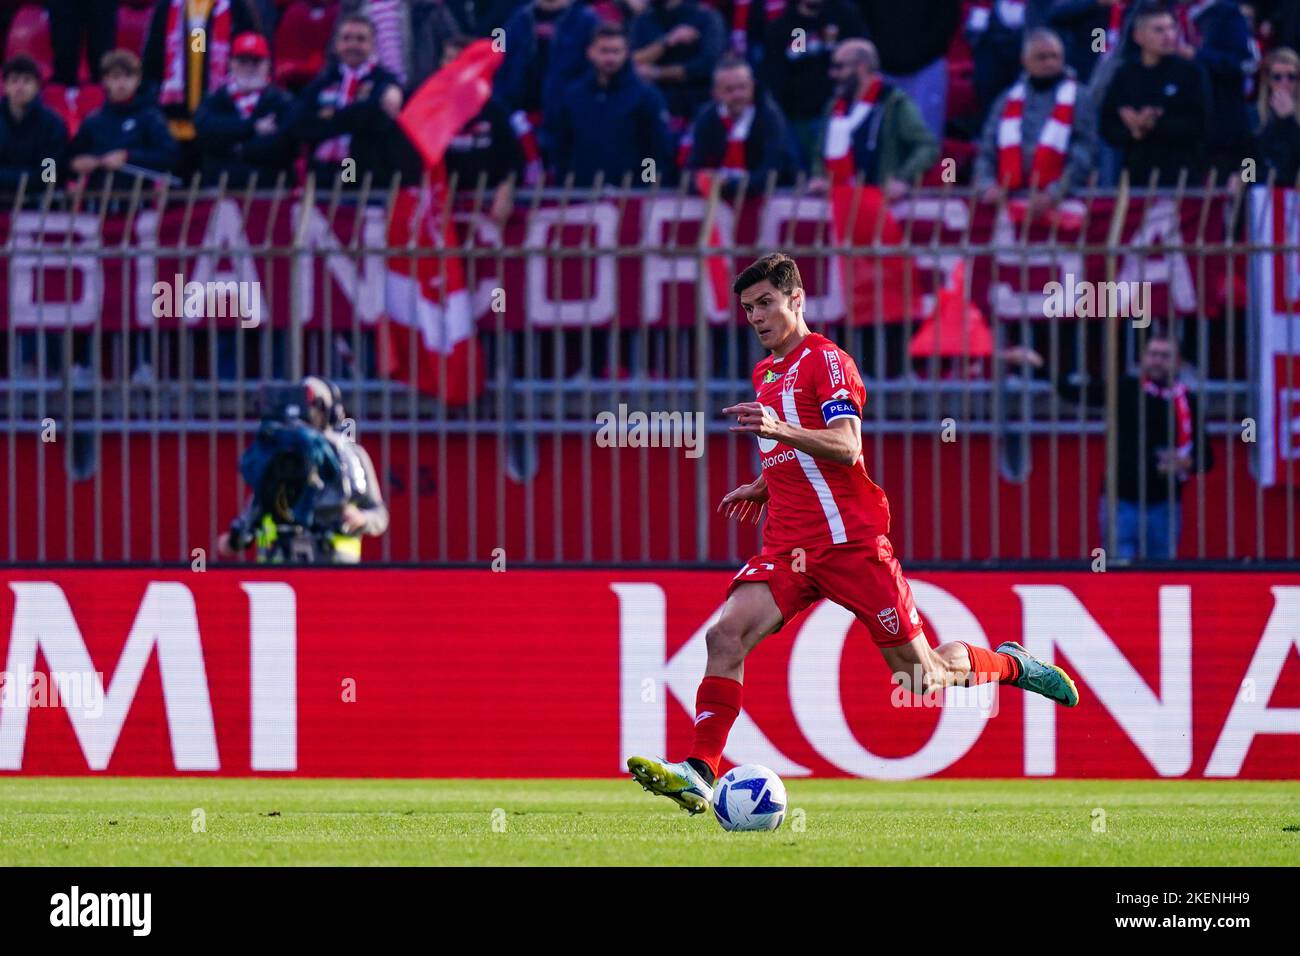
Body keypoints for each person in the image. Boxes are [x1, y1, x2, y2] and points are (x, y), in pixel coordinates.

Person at [626, 253, 1080, 813]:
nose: (757, 316)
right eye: (748, 308)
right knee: (724, 638)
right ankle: (699, 771)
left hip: (852, 544)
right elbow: (797, 455)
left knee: (921, 678)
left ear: (797, 299)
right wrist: (764, 484)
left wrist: (779, 429)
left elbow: (847, 446)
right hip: (790, 544)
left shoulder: (829, 362)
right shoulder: (764, 374)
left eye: (766, 302)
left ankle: (1012, 663)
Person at [1004, 331, 1213, 560]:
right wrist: (1039, 365)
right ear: (1143, 358)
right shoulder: (1126, 389)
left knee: (1161, 574)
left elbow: (1206, 458)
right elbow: (1076, 393)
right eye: (1153, 354)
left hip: (1165, 506)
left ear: (1178, 362)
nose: (1157, 361)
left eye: (1165, 356)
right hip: (1121, 502)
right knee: (1118, 571)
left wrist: (1187, 462)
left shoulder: (1186, 401)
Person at [218, 377, 389, 564]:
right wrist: (237, 537)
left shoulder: (349, 454)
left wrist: (362, 518)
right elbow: (252, 514)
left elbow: (379, 515)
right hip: (278, 570)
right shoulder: (276, 453)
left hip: (334, 569)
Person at [142, 0, 265, 180]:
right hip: (176, 122)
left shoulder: (237, 6)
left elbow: (252, 52)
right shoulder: (168, 7)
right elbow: (153, 59)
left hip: (221, 120)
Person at [290, 12, 415, 188]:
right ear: (336, 44)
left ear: (373, 44)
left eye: (360, 39)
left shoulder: (386, 82)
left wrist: (330, 117)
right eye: (346, 38)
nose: (353, 45)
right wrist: (351, 117)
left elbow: (376, 119)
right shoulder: (323, 81)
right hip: (324, 173)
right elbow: (300, 123)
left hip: (366, 175)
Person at [973, 28, 1096, 206]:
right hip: (1007, 199)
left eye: (1055, 56)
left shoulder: (1080, 97)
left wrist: (1054, 193)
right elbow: (987, 148)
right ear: (1025, 61)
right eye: (1042, 57)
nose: (1050, 63)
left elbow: (1084, 152)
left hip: (1060, 200)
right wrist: (987, 185)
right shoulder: (1007, 99)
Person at [544, 22, 674, 187]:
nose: (610, 58)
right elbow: (562, 146)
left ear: (626, 53)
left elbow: (656, 149)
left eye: (616, 51)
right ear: (590, 52)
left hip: (630, 194)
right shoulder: (573, 95)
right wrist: (565, 183)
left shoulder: (646, 96)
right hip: (581, 194)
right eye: (604, 51)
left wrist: (647, 187)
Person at [810, 38, 939, 199]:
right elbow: (819, 151)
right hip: (838, 200)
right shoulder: (834, 107)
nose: (832, 74)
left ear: (861, 67)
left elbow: (926, 146)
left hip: (880, 202)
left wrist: (903, 178)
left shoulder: (894, 103)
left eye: (839, 67)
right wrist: (818, 176)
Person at [1099, 4, 1209, 187]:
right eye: (1159, 30)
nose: (1168, 36)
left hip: (1181, 178)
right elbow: (1107, 125)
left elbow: (1200, 123)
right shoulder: (1124, 74)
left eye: (1172, 28)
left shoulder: (1191, 73)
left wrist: (1154, 124)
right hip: (1135, 178)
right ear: (1138, 36)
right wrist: (1133, 130)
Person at [193, 31, 297, 187]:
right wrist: (253, 127)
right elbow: (205, 131)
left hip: (270, 187)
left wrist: (236, 147)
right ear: (231, 63)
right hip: (219, 186)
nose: (249, 66)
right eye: (242, 60)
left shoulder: (283, 100)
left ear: (267, 64)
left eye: (255, 60)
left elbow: (283, 145)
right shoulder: (214, 99)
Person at [68, 49, 180, 190]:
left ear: (138, 80)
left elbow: (169, 156)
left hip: (138, 202)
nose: (122, 83)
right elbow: (68, 159)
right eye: (116, 77)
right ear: (105, 81)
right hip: (96, 202)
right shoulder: (93, 120)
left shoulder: (151, 117)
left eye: (128, 77)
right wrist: (77, 163)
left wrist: (128, 156)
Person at [684, 55, 795, 189]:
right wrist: (703, 179)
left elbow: (771, 172)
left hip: (767, 198)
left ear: (752, 85)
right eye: (729, 89)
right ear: (715, 93)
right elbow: (692, 169)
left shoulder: (770, 116)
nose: (738, 95)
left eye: (742, 87)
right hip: (720, 195)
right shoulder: (706, 116)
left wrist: (727, 184)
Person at [0, 55, 70, 193]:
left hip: (40, 202)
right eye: (14, 81)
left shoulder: (53, 123)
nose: (19, 87)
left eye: (26, 81)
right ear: (5, 86)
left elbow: (49, 175)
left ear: (37, 87)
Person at [1257, 47, 1300, 185]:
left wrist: (1289, 120)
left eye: (1291, 77)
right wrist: (1246, 180)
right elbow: (1250, 157)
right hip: (1264, 192)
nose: (1284, 83)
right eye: (1277, 77)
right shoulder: (1257, 113)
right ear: (1269, 80)